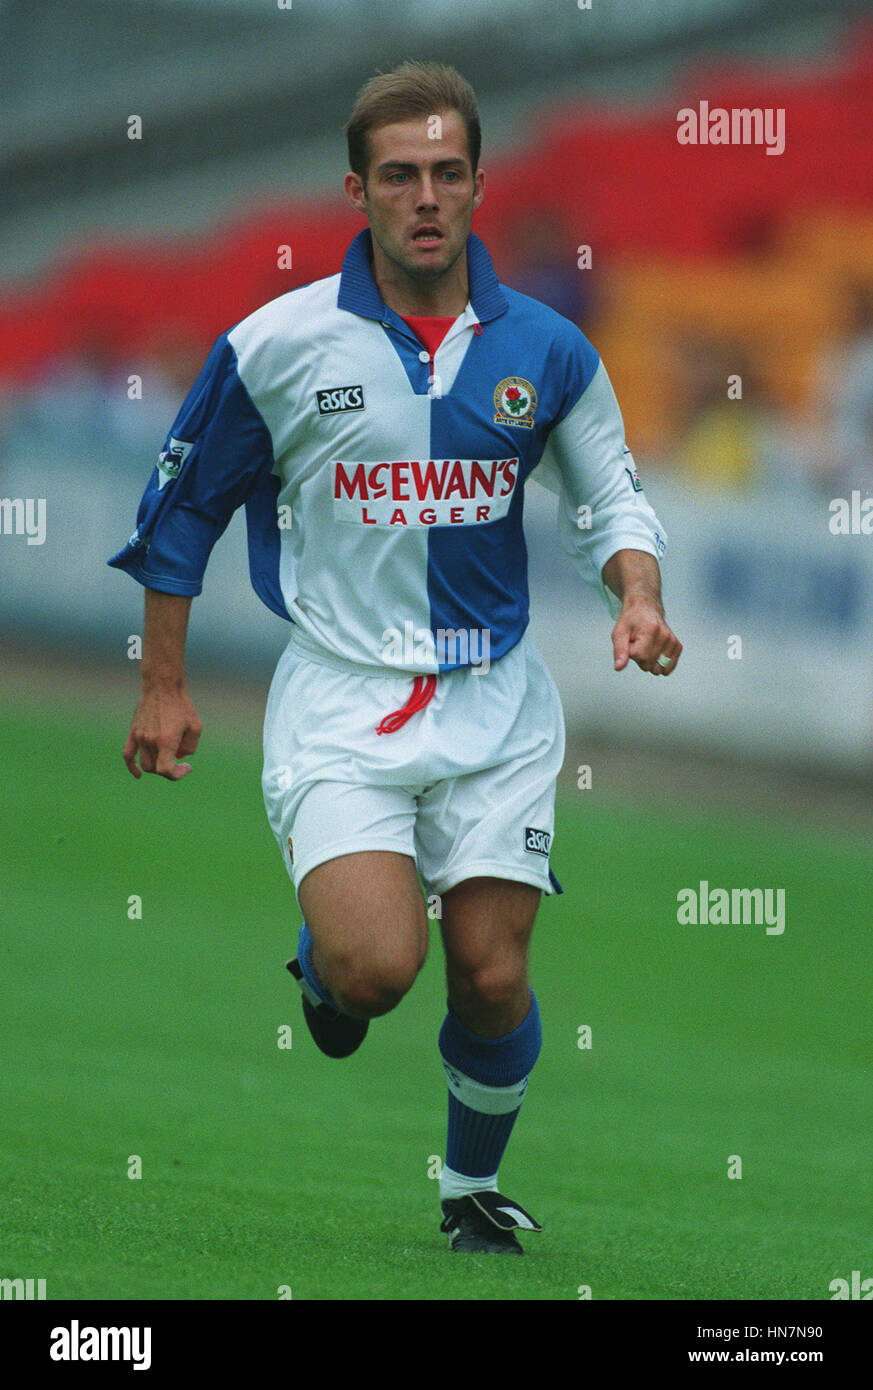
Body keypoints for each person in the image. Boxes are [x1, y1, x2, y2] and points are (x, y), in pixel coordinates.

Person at [109, 60, 681, 1256]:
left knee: (490, 974)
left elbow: (612, 498)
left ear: (479, 184)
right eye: (400, 176)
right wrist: (163, 688)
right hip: (341, 698)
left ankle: (468, 1192)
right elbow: (180, 517)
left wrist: (638, 595)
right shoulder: (274, 345)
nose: (426, 196)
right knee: (379, 970)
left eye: (448, 173)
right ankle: (326, 972)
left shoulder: (551, 352)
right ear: (357, 190)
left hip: (498, 703)